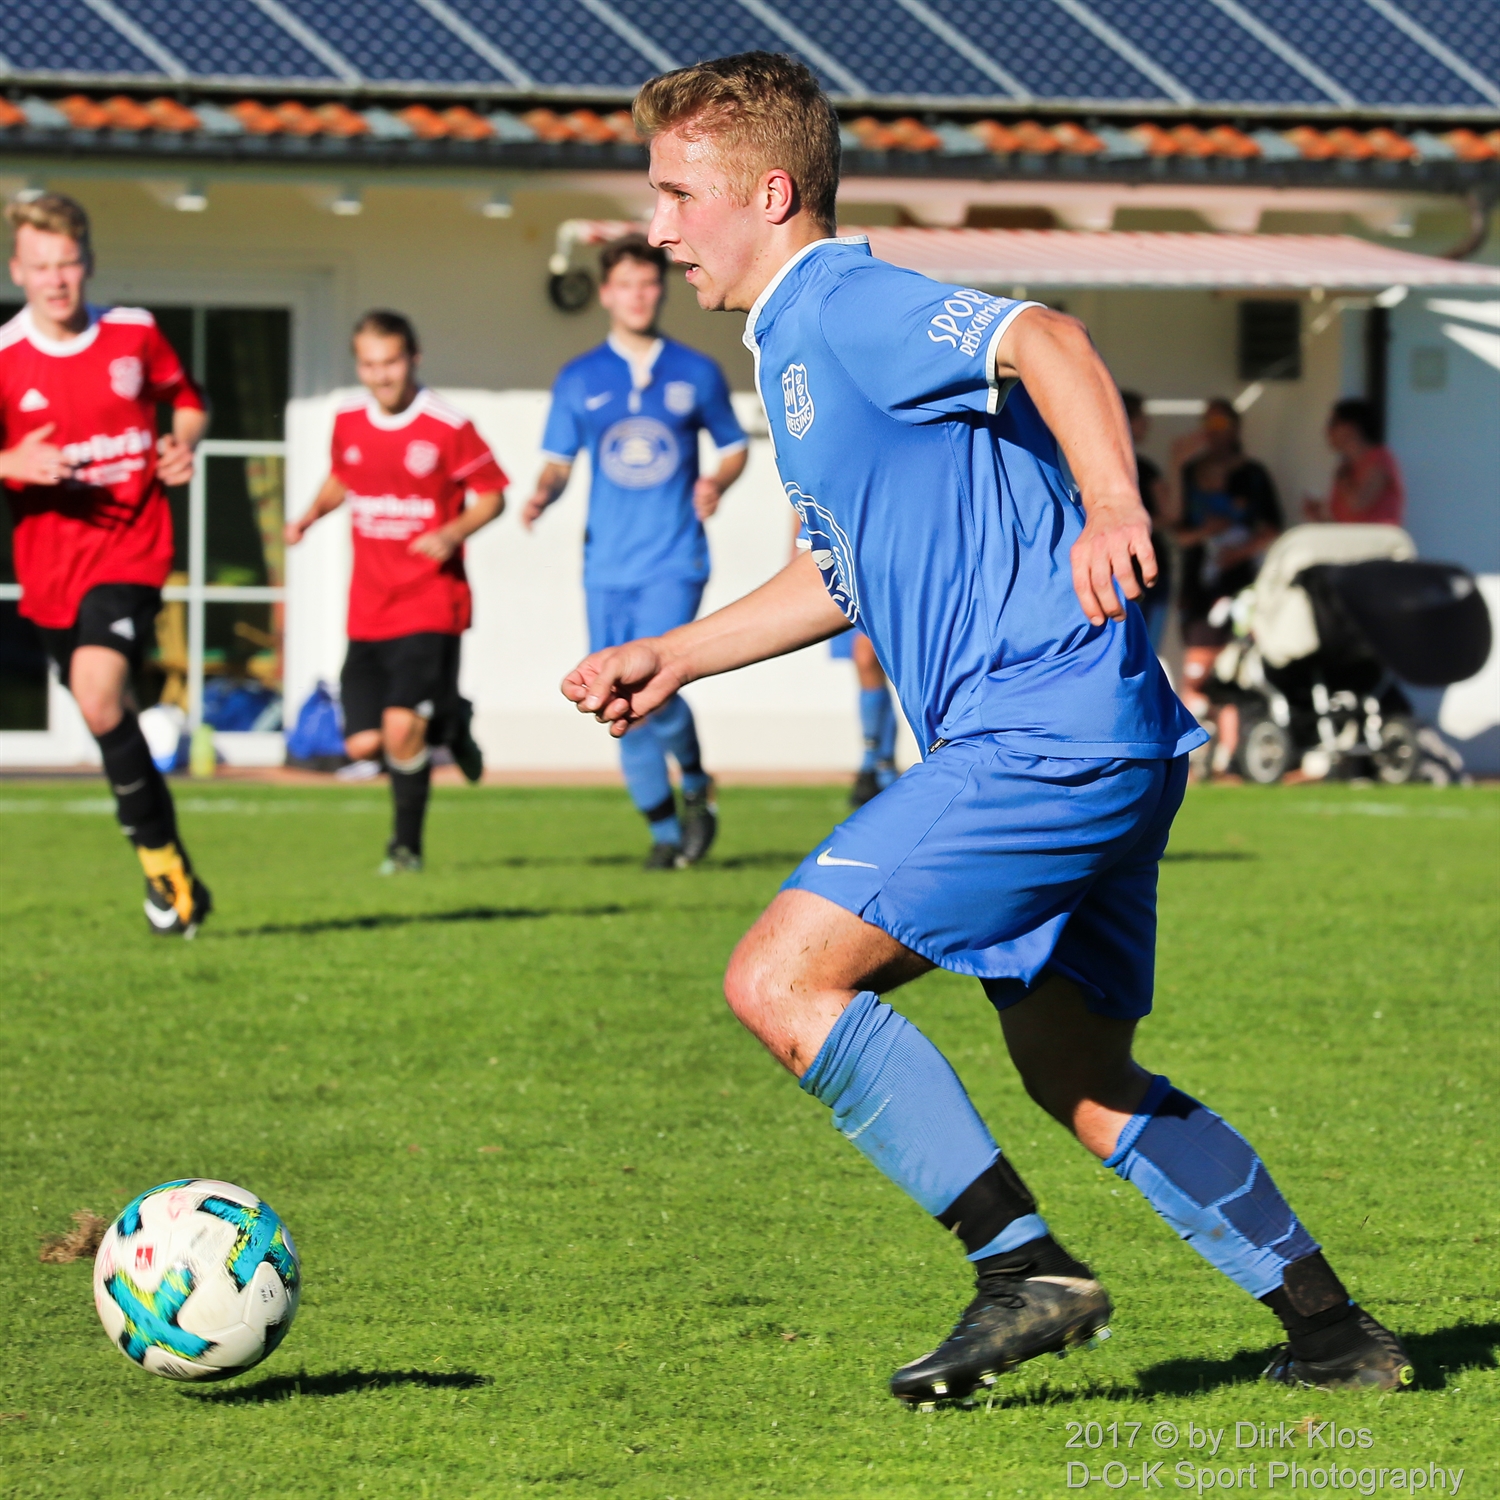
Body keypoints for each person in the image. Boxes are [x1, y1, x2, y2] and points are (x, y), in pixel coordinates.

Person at [564, 52, 1413, 1403]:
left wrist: (1117, 506)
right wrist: (677, 653)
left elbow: (1050, 341)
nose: (657, 229)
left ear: (768, 192)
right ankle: (1334, 1334)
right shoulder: (794, 346)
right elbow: (840, 570)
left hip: (1044, 732)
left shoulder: (840, 301)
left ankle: (1022, 1271)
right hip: (1103, 738)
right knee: (1073, 1067)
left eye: (677, 194)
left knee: (778, 978)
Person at [0, 193, 211, 936]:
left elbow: (185, 399)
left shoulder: (134, 333)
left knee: (96, 695)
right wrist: (10, 459)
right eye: (40, 266)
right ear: (17, 269)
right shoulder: (5, 358)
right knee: (104, 716)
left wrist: (182, 441)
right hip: (51, 570)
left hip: (131, 547)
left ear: (87, 263)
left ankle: (160, 867)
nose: (56, 280)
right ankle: (172, 861)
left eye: (68, 264)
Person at [525, 234, 747, 869]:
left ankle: (697, 785)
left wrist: (717, 481)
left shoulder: (696, 372)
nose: (638, 296)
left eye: (649, 284)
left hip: (673, 559)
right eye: (625, 285)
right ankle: (662, 834)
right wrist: (542, 493)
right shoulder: (580, 378)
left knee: (653, 681)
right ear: (605, 294)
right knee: (613, 697)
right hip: (606, 566)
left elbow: (733, 447)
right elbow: (558, 463)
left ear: (662, 290)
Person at [285, 311, 505, 873]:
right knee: (362, 744)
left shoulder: (448, 425)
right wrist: (309, 517)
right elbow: (344, 476)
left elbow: (491, 494)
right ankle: (452, 718)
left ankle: (404, 847)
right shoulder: (350, 421)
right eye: (369, 364)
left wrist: (452, 532)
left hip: (430, 602)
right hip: (369, 607)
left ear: (413, 358)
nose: (381, 376)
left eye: (391, 362)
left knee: (402, 727)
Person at [1172, 399, 1282, 765]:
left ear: (1235, 428)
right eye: (1208, 425)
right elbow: (1173, 522)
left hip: (1238, 588)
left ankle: (1228, 758)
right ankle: (1196, 756)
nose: (1213, 433)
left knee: (1232, 671)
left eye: (1220, 425)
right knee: (1199, 671)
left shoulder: (1254, 475)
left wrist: (1238, 551)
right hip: (1199, 589)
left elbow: (1271, 529)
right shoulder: (1188, 472)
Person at [790, 512, 899, 805]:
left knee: (867, 658)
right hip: (838, 555)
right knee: (866, 666)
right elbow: (798, 493)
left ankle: (873, 762)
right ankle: (881, 765)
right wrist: (794, 553)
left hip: (878, 548)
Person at [1119, 390, 1178, 651]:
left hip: (1124, 570)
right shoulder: (1141, 467)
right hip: (1144, 571)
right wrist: (1177, 462)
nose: (1147, 424)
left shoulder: (1076, 465)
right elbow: (1172, 513)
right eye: (1142, 417)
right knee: (1143, 654)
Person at [1303, 397, 1405, 526]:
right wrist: (1317, 517)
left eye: (1333, 423)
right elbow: (1342, 526)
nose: (1327, 431)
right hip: (1351, 544)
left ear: (1351, 427)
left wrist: (1344, 478)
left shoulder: (1380, 458)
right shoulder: (1345, 468)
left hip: (1378, 544)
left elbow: (1358, 504)